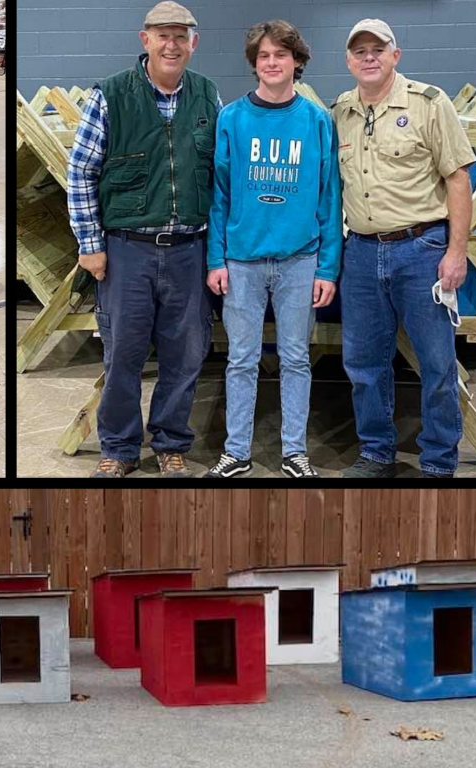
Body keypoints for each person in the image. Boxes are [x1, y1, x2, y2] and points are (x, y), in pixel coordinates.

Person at [68, 2, 221, 478]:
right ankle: (119, 447)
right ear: (145, 40)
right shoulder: (110, 95)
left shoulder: (207, 95)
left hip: (189, 252)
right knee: (123, 356)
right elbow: (80, 173)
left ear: (193, 43)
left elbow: (220, 177)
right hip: (126, 251)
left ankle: (172, 443)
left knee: (185, 354)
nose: (172, 44)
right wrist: (90, 244)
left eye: (181, 36)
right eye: (163, 36)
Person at [333, 19, 476, 478]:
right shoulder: (341, 111)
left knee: (436, 362)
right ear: (349, 60)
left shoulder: (429, 104)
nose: (369, 57)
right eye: (360, 51)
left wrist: (456, 253)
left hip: (421, 250)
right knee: (363, 363)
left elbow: (458, 179)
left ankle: (438, 459)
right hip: (359, 252)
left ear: (396, 55)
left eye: (379, 49)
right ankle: (376, 452)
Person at [203, 20, 342, 480]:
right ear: (254, 64)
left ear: (297, 61)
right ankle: (237, 450)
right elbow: (219, 194)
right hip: (241, 261)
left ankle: (294, 451)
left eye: (280, 55)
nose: (271, 63)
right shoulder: (233, 119)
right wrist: (215, 258)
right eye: (263, 56)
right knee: (241, 358)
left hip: (299, 261)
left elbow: (329, 197)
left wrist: (328, 267)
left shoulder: (317, 121)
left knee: (296, 357)